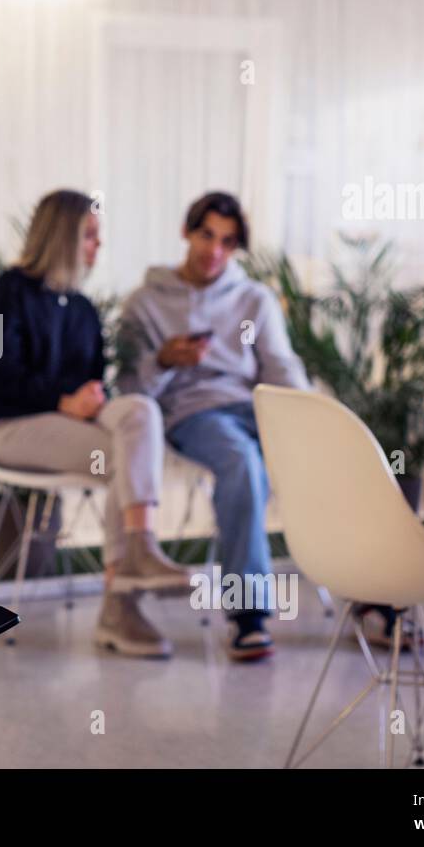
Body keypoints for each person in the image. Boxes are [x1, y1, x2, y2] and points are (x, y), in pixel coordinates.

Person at [0, 190, 188, 659]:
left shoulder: (84, 309)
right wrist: (61, 400)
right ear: (62, 236)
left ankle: (141, 547)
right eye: (89, 235)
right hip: (8, 425)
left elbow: (91, 380)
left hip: (64, 419)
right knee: (124, 458)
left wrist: (88, 399)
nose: (98, 245)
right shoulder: (6, 293)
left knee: (140, 412)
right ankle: (120, 606)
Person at [117, 191, 309, 661]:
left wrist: (313, 420)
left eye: (227, 242)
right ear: (186, 232)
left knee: (337, 455)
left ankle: (376, 598)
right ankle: (249, 616)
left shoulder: (254, 299)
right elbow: (127, 391)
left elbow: (281, 368)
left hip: (255, 408)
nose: (215, 251)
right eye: (207, 235)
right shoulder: (144, 304)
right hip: (191, 415)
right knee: (243, 463)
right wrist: (164, 361)